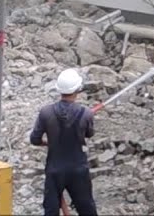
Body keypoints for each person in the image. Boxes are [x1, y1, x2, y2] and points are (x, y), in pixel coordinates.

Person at [30, 68, 98, 216]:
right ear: (78, 89)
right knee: (87, 209)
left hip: (54, 169)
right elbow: (89, 134)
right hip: (78, 169)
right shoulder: (86, 113)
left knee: (51, 211)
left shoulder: (46, 112)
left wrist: (47, 143)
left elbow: (34, 139)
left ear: (59, 90)